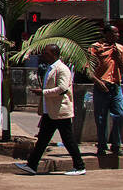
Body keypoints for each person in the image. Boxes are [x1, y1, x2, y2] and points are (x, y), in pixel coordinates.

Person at [17, 44, 86, 175]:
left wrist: (43, 92)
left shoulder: (62, 69)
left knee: (68, 140)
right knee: (42, 140)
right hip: (50, 111)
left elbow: (62, 89)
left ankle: (80, 166)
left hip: (60, 111)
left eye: (46, 53)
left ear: (54, 54)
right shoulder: (51, 68)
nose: (44, 56)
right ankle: (32, 165)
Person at [89, 24, 123, 157]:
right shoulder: (95, 48)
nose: (117, 35)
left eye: (118, 33)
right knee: (101, 118)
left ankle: (116, 144)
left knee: (120, 115)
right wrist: (98, 81)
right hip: (102, 86)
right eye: (114, 33)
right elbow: (87, 69)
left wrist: (117, 58)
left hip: (115, 86)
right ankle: (102, 145)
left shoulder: (120, 48)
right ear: (106, 34)